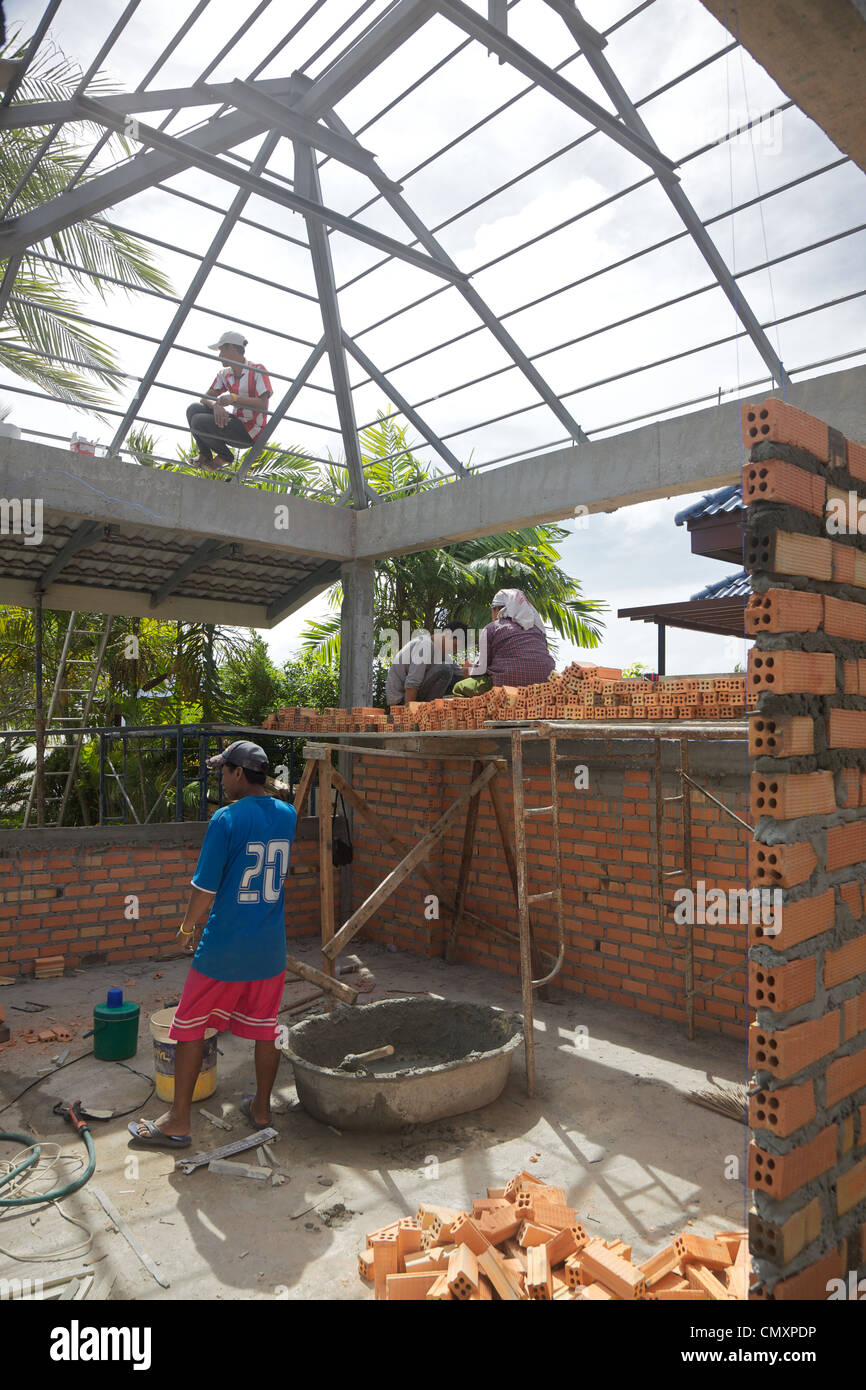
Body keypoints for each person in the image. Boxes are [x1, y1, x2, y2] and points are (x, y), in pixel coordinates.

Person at [128, 740, 296, 1147]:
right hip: (270, 947)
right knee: (265, 1028)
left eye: (224, 771)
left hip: (224, 948)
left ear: (239, 773)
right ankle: (261, 1108)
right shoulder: (288, 815)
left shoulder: (225, 820)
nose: (221, 779)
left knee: (188, 1027)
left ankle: (177, 1121)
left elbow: (204, 888)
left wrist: (187, 928)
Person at [186, 329, 272, 469]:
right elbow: (205, 398)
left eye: (222, 351)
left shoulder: (257, 369)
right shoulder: (224, 374)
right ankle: (204, 455)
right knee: (193, 409)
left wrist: (234, 398)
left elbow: (263, 404)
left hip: (250, 431)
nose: (219, 356)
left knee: (198, 420)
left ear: (231, 348)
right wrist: (216, 406)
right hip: (235, 422)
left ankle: (224, 456)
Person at [453, 589, 554, 697]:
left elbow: (481, 669)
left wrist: (468, 670)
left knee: (459, 687)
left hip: (504, 684)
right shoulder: (537, 630)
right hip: (544, 684)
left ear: (497, 610)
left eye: (492, 610)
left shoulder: (493, 628)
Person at [385, 623, 469, 707]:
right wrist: (410, 713)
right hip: (402, 699)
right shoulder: (425, 645)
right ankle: (429, 709)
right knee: (445, 669)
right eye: (455, 646)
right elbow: (412, 683)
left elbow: (461, 674)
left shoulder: (442, 653)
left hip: (414, 695)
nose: (454, 652)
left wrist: (473, 671)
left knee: (457, 678)